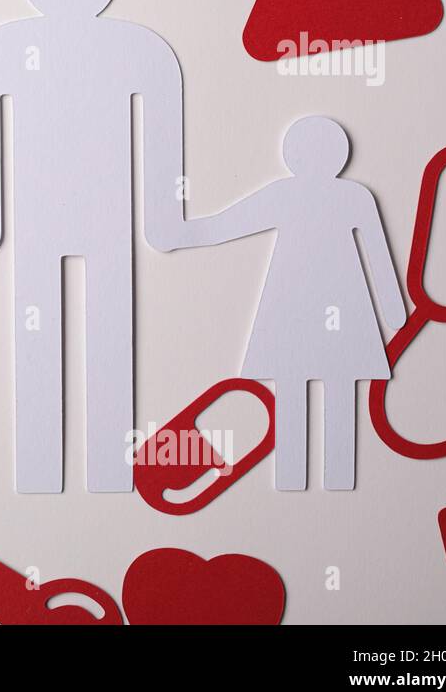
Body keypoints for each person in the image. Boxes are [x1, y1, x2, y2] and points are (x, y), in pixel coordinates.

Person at [0, 0, 187, 494]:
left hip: (52, 219)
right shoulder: (136, 47)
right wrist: (163, 224)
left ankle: (67, 470)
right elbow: (163, 154)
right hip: (83, 218)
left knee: (52, 330)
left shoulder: (1, 49)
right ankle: (85, 470)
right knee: (94, 329)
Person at [173, 116, 407, 490]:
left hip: (303, 305)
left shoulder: (311, 195)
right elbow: (377, 253)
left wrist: (184, 235)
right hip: (337, 306)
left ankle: (299, 475)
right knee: (329, 383)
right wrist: (394, 310)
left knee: (303, 383)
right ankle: (322, 475)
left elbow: (225, 225)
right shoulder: (350, 196)